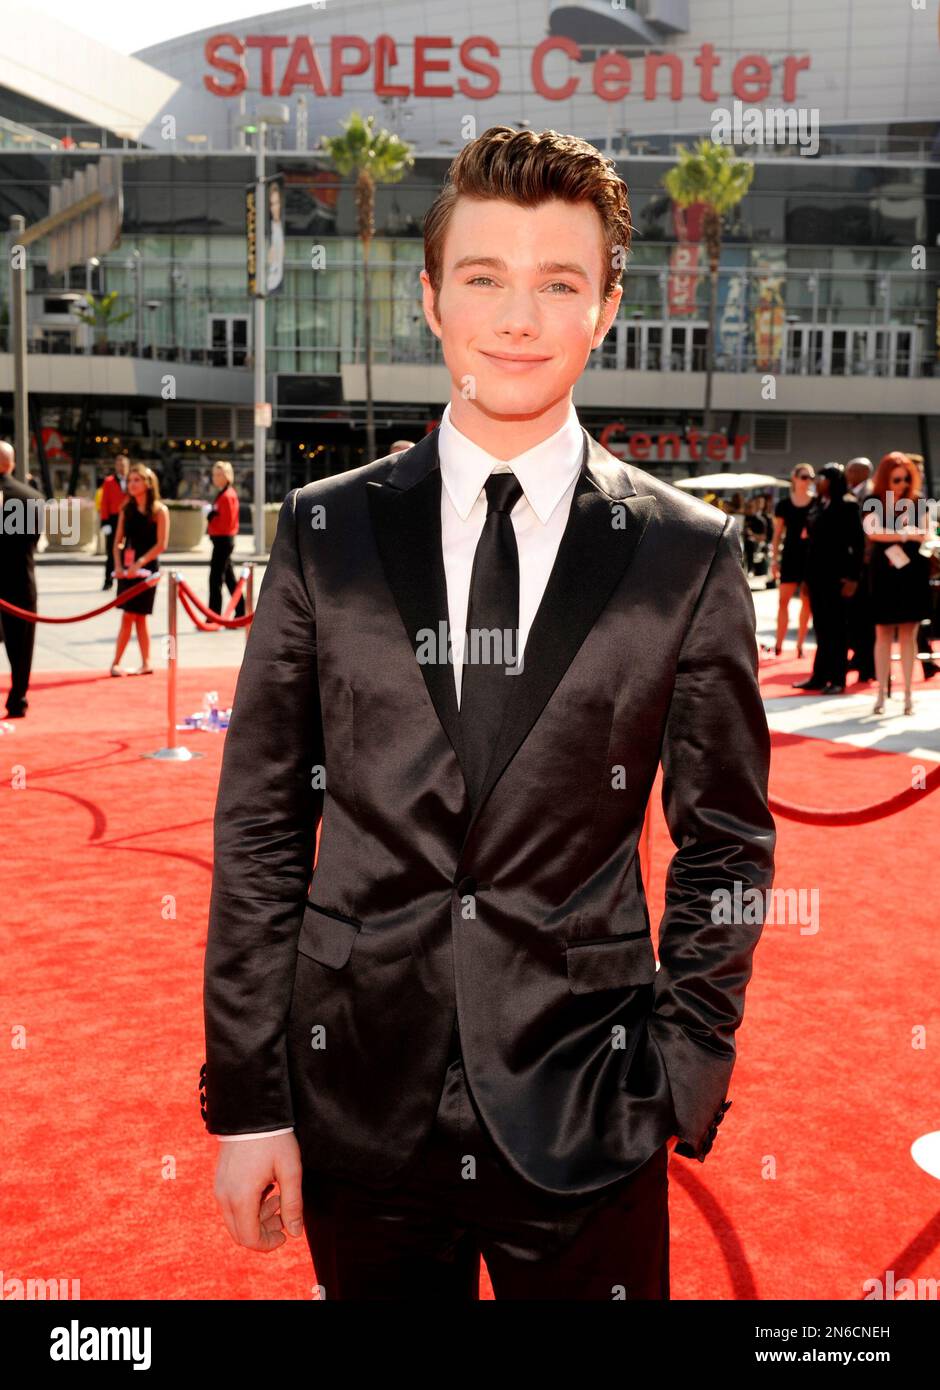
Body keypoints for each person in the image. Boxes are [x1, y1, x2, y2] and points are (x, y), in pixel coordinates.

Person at [201, 125, 776, 1302]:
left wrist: (682, 1065)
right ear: (430, 297)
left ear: (606, 307)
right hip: (356, 1096)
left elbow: (728, 840)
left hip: (591, 1108)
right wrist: (253, 1098)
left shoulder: (686, 555)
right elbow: (261, 828)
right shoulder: (324, 534)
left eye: (558, 282)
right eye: (483, 277)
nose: (517, 317)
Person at [863, 452, 932, 716]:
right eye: (896, 479)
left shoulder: (918, 501)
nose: (901, 483)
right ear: (885, 477)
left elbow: (924, 533)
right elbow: (872, 532)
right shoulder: (873, 501)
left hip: (911, 573)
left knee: (908, 635)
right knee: (882, 634)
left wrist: (896, 533)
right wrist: (904, 533)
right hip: (883, 572)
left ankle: (907, 694)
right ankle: (881, 692)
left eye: (905, 478)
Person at [792, 463, 865, 694]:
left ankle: (837, 678)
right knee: (821, 628)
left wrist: (853, 578)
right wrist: (805, 579)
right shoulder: (818, 504)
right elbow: (811, 545)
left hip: (838, 578)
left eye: (821, 478)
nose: (817, 482)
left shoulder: (848, 505)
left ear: (832, 480)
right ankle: (819, 675)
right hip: (816, 577)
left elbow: (858, 544)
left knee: (837, 630)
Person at [110, 464, 168, 677]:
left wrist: (141, 562)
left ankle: (135, 662)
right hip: (128, 569)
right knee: (131, 616)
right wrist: (118, 565)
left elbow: (162, 544)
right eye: (130, 480)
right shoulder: (127, 508)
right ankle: (137, 662)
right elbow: (118, 541)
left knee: (137, 615)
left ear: (147, 483)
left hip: (147, 569)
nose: (131, 484)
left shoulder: (159, 511)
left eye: (136, 480)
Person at [0, 439, 44, 718]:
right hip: (19, 577)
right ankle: (19, 697)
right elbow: (34, 539)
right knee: (21, 643)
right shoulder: (32, 497)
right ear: (12, 463)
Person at [771, 464, 814, 657]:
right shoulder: (784, 504)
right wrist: (774, 560)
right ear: (794, 478)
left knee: (807, 602)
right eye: (804, 476)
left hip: (810, 556)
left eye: (810, 477)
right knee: (783, 601)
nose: (807, 480)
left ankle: (799, 646)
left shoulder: (817, 502)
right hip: (789, 555)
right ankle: (779, 645)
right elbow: (777, 534)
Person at [844, 457, 876, 683]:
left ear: (862, 472)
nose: (848, 473)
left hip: (866, 562)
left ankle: (867, 664)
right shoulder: (849, 491)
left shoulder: (872, 493)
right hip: (852, 559)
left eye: (851, 470)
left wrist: (866, 554)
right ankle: (859, 656)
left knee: (865, 614)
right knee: (854, 614)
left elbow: (870, 529)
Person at [207, 461, 245, 619]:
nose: (215, 478)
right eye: (214, 474)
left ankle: (214, 615)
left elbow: (227, 523)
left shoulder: (227, 495)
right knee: (229, 578)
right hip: (222, 539)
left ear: (227, 476)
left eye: (219, 474)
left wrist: (212, 518)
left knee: (215, 578)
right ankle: (241, 610)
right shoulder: (224, 493)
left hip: (223, 540)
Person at [99, 454, 129, 590]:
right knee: (111, 551)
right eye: (119, 465)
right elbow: (104, 502)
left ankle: (126, 580)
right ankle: (108, 580)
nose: (121, 467)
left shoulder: (132, 480)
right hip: (113, 519)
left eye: (123, 465)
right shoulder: (109, 481)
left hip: (129, 518)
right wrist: (104, 522)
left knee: (128, 550)